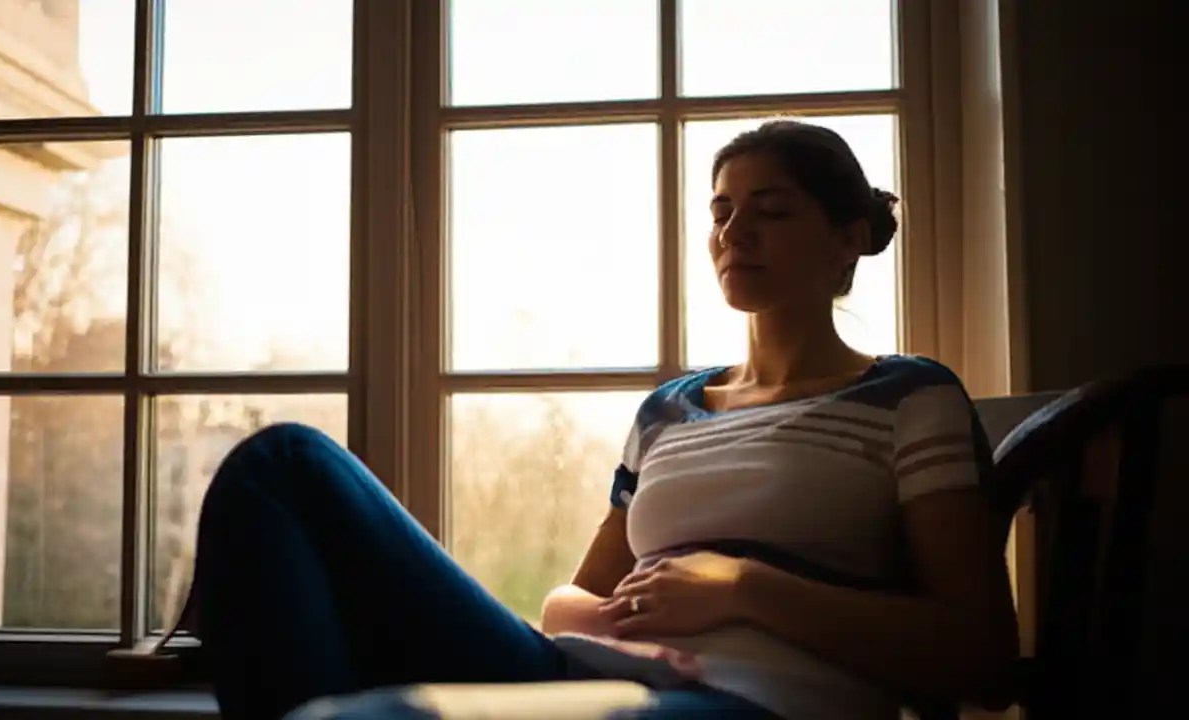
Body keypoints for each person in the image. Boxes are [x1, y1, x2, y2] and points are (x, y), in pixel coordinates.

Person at [192, 118, 1019, 719]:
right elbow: (570, 599)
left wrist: (743, 589)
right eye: (723, 211)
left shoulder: (911, 399)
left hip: (760, 704)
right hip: (594, 670)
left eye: (772, 210)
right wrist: (608, 616)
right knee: (283, 465)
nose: (736, 231)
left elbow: (976, 655)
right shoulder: (670, 410)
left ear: (848, 238)